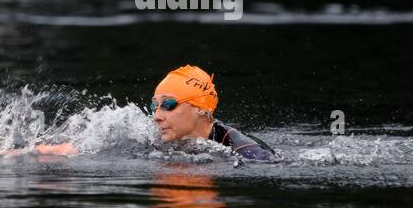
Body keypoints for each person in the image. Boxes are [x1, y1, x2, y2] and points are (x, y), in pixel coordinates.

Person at [34, 65, 277, 161]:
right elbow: (103, 147)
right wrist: (42, 152)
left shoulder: (246, 151)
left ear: (201, 109)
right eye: (154, 106)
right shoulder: (155, 135)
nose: (157, 116)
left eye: (169, 104)